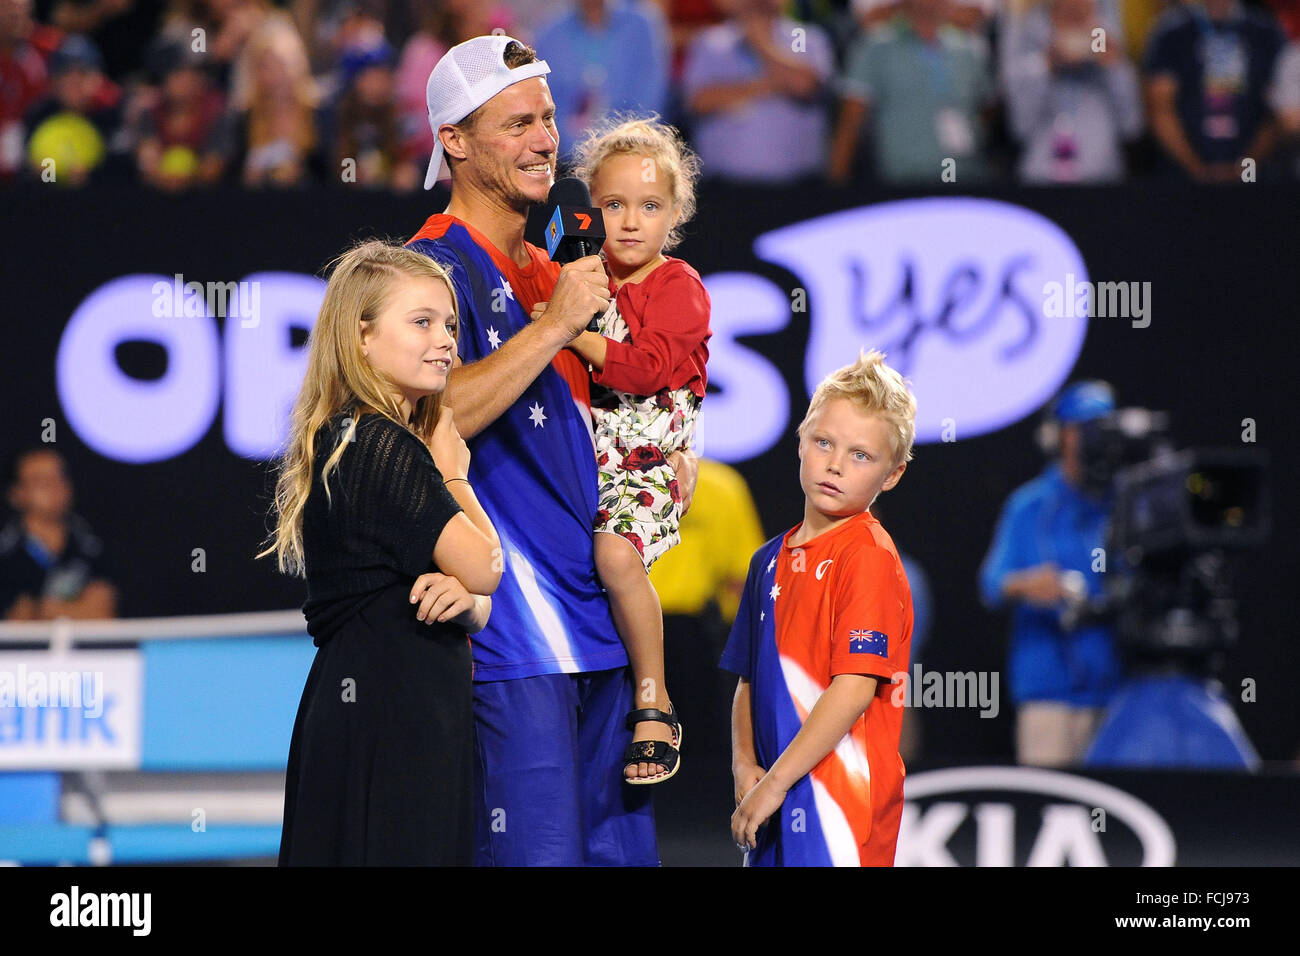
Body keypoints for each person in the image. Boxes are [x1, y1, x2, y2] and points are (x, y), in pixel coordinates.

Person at [406, 33, 699, 865]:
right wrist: (558, 324)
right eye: (516, 124)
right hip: (515, 640)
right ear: (454, 142)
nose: (545, 141)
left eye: (545, 119)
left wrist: (675, 447)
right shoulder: (427, 269)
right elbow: (438, 414)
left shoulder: (559, 266)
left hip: (598, 623)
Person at [259, 239, 502, 865]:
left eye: (449, 325)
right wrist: (455, 476)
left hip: (394, 713)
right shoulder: (380, 444)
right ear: (361, 337)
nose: (446, 340)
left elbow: (475, 601)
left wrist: (470, 599)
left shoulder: (359, 437)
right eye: (420, 322)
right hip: (389, 721)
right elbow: (485, 566)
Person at [533, 113, 710, 783]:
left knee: (613, 553)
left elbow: (642, 370)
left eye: (650, 205)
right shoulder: (577, 276)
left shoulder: (681, 288)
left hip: (645, 469)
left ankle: (654, 700)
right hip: (583, 463)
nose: (631, 221)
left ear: (674, 214)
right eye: (613, 205)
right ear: (588, 208)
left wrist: (565, 330)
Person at [722, 349, 915, 867]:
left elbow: (854, 687)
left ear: (891, 475)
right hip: (774, 795)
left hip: (841, 807)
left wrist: (775, 783)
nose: (834, 464)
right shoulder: (766, 561)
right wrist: (746, 767)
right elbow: (747, 681)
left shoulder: (868, 557)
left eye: (860, 455)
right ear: (801, 441)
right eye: (824, 442)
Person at [977, 380, 1120, 767]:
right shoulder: (1029, 506)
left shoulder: (1125, 503)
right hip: (1048, 692)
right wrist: (1028, 584)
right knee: (1050, 804)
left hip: (1115, 689)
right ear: (1058, 436)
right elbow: (991, 584)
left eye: (1101, 429)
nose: (1091, 441)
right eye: (1082, 429)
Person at [0, 447, 117, 621]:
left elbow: (103, 616)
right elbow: (16, 622)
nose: (55, 486)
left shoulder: (92, 544)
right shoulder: (6, 554)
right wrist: (74, 610)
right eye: (41, 480)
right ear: (16, 494)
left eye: (60, 476)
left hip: (85, 648)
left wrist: (44, 609)